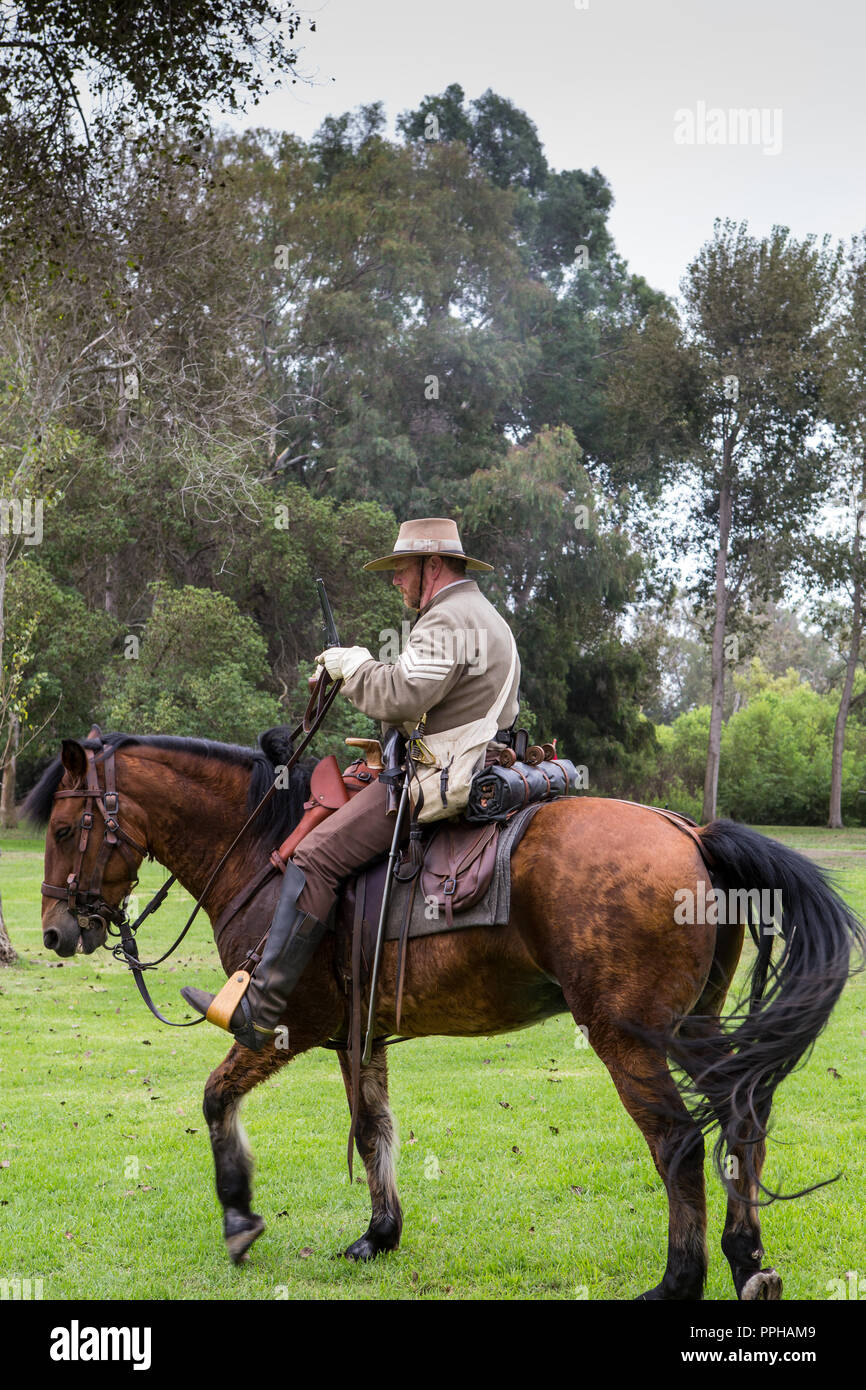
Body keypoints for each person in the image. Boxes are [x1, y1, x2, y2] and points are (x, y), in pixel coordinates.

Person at [182, 517, 521, 1049]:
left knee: (313, 856)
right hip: (466, 764)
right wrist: (357, 672)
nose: (395, 581)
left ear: (432, 566)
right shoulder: (479, 614)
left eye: (401, 569)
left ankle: (261, 1007)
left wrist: (356, 665)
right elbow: (430, 700)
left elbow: (406, 693)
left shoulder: (450, 617)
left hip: (437, 781)